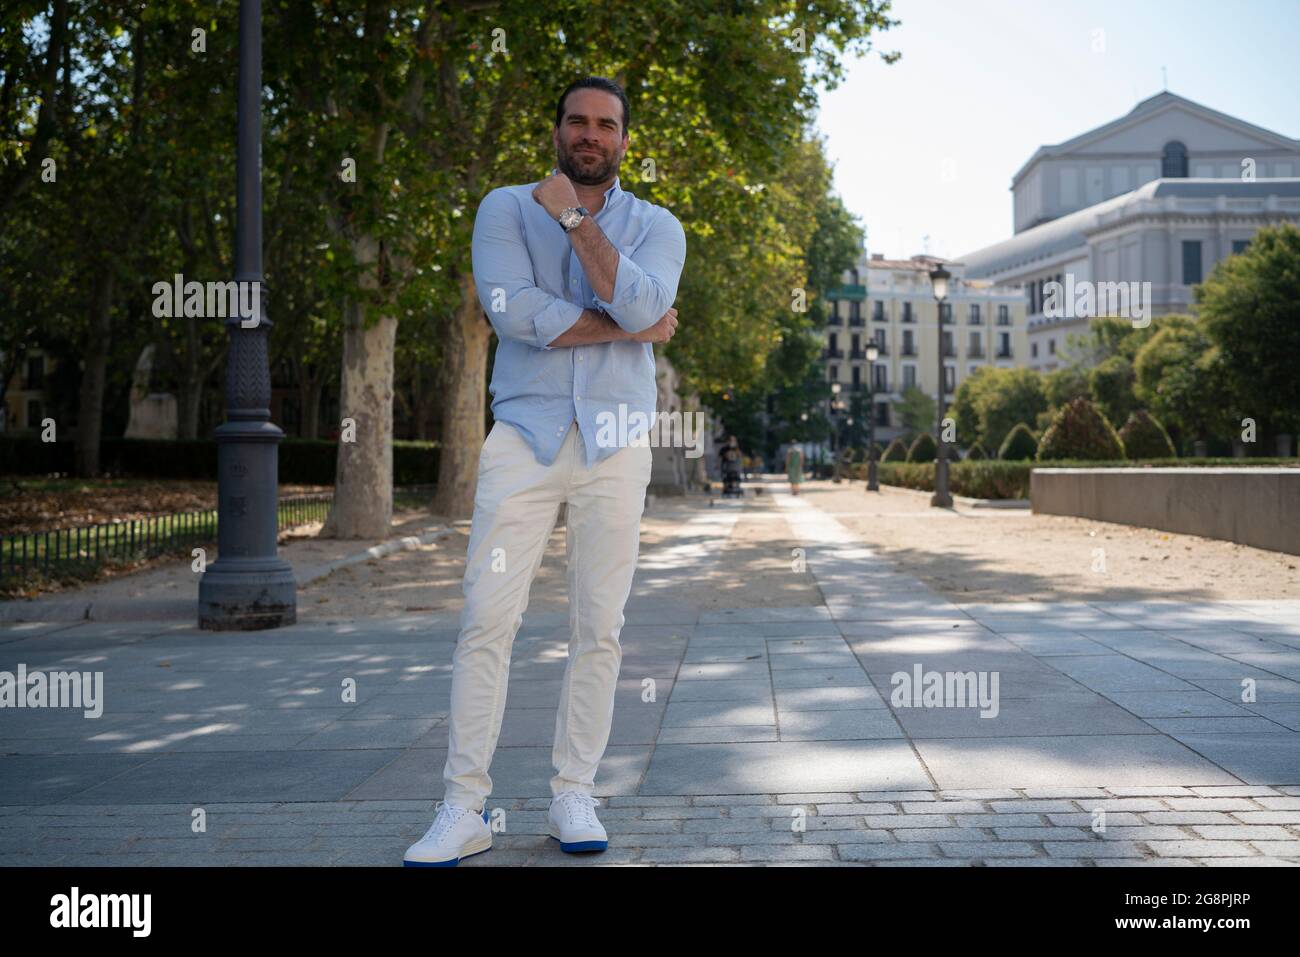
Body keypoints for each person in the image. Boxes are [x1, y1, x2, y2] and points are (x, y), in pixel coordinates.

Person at [404, 76, 686, 866]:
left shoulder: (660, 225)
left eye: (606, 125)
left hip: (617, 448)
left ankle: (574, 793)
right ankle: (463, 806)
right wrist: (627, 324)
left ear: (626, 140)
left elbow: (641, 304)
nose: (590, 135)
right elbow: (511, 310)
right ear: (556, 130)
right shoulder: (501, 207)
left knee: (600, 624)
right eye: (577, 121)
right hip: (521, 441)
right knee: (486, 618)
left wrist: (573, 220)